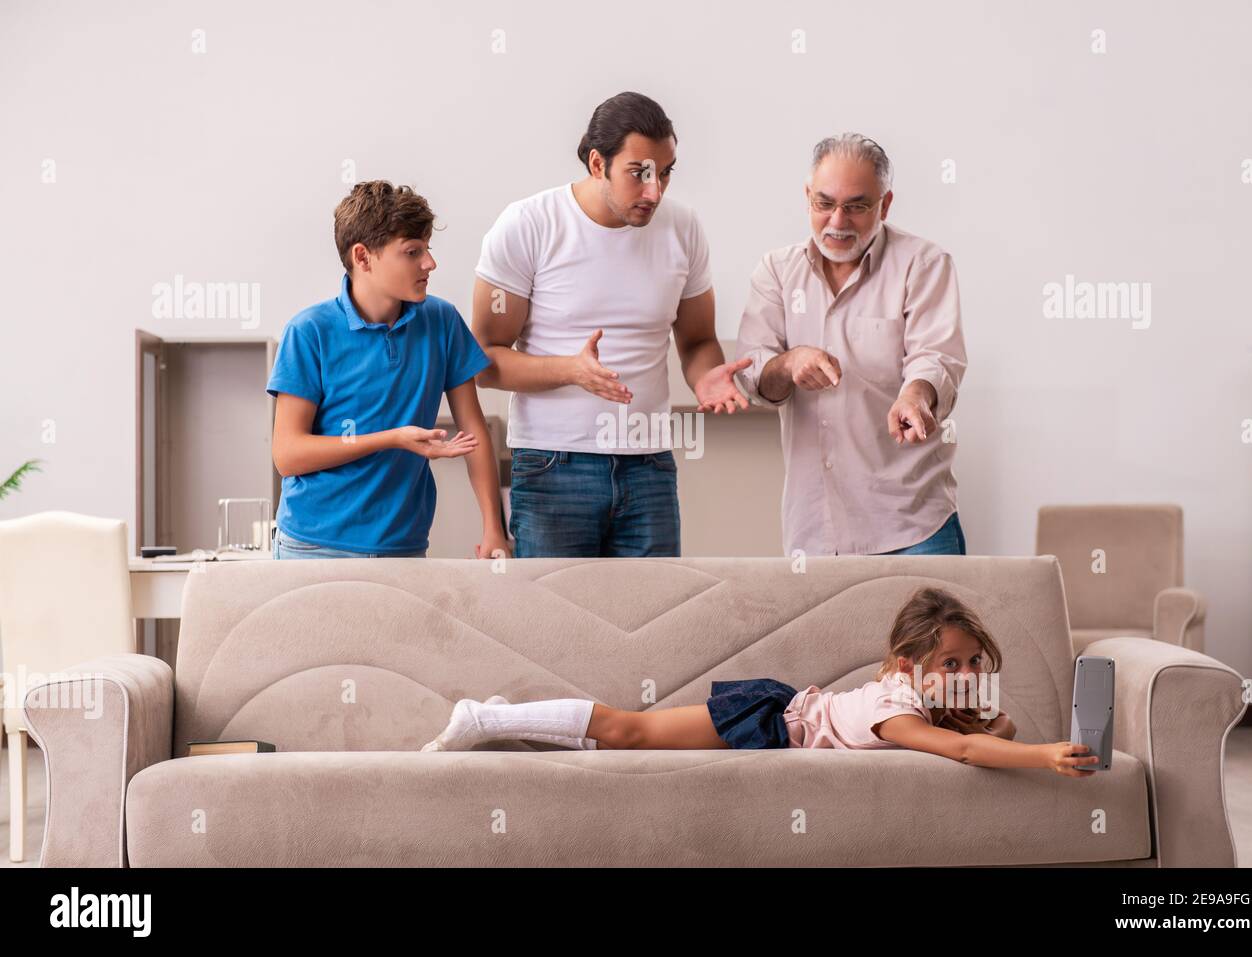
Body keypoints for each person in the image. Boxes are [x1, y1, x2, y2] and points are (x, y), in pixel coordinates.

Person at [420, 586, 1100, 778]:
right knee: (629, 729)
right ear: (906, 665)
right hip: (774, 717)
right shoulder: (899, 709)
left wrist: (1004, 729)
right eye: (950, 664)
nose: (967, 675)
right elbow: (967, 752)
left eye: (973, 662)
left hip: (788, 717)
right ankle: (486, 717)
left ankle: (506, 719)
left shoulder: (935, 704)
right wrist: (1041, 753)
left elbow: (983, 735)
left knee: (628, 742)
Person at [472, 91, 751, 558]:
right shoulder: (528, 225)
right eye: (639, 173)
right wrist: (572, 371)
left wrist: (707, 377)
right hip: (552, 464)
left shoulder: (683, 229)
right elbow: (484, 362)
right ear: (598, 163)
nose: (654, 191)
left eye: (665, 173)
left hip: (649, 465)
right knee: (552, 624)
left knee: (654, 621)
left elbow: (699, 340)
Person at [732, 134, 969, 556]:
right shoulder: (776, 271)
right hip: (815, 531)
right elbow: (755, 376)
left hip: (913, 525)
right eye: (824, 204)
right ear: (808, 197)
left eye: (857, 206)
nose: (838, 221)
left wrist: (915, 396)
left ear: (886, 203)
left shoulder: (924, 264)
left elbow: (936, 359)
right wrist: (789, 364)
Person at [267, 181, 509, 560]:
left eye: (427, 249)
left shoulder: (442, 321)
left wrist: (494, 530)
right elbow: (288, 454)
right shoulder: (309, 331)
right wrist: (389, 438)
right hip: (314, 547)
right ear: (363, 258)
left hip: (403, 547)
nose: (430, 263)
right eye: (413, 252)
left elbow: (473, 430)